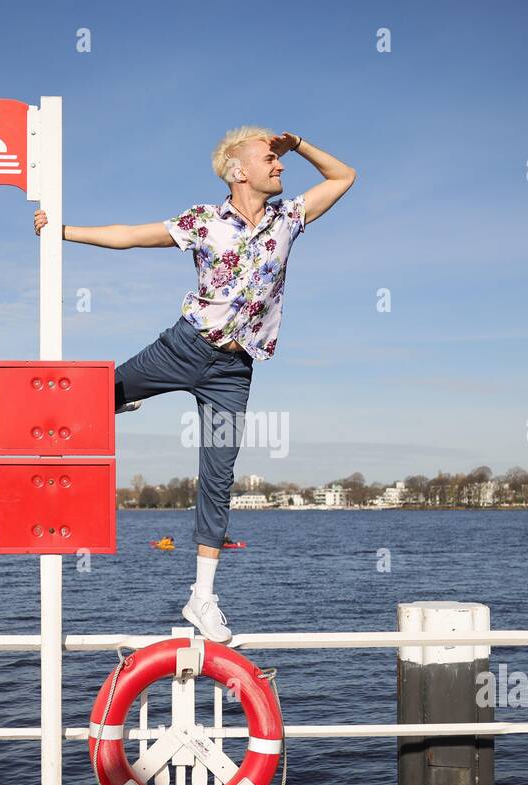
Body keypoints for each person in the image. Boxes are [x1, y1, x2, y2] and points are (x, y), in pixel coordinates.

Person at [33, 126, 355, 640]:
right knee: (95, 397)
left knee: (218, 477)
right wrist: (62, 231)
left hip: (233, 371)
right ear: (238, 170)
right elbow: (129, 236)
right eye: (269, 158)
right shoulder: (203, 221)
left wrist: (299, 144)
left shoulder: (288, 218)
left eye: (280, 159)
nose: (280, 165)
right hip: (185, 347)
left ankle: (202, 598)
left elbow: (344, 176)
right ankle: (123, 399)